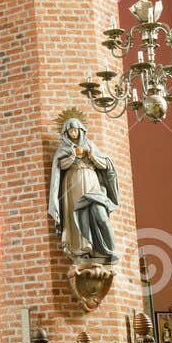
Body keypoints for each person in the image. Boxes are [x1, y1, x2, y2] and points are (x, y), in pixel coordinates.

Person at [48, 112, 119, 263]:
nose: (73, 133)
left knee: (99, 213)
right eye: (70, 131)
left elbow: (105, 165)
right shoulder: (64, 148)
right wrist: (72, 156)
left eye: (75, 130)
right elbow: (60, 165)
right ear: (66, 133)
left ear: (81, 130)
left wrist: (92, 155)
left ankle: (105, 249)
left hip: (92, 180)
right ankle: (83, 248)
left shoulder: (90, 145)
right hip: (73, 183)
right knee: (78, 214)